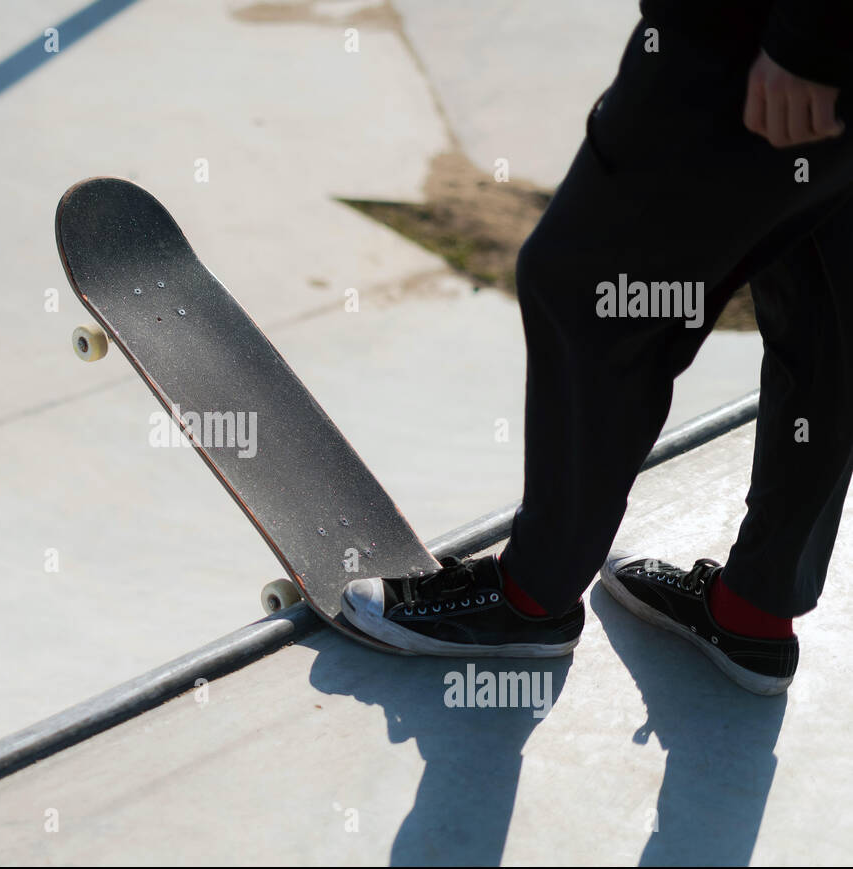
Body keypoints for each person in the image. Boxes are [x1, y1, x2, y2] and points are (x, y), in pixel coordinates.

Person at [341, 1, 853, 696]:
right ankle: (756, 608)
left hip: (757, 35)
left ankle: (529, 598)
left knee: (585, 284)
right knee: (825, 308)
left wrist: (810, 44)